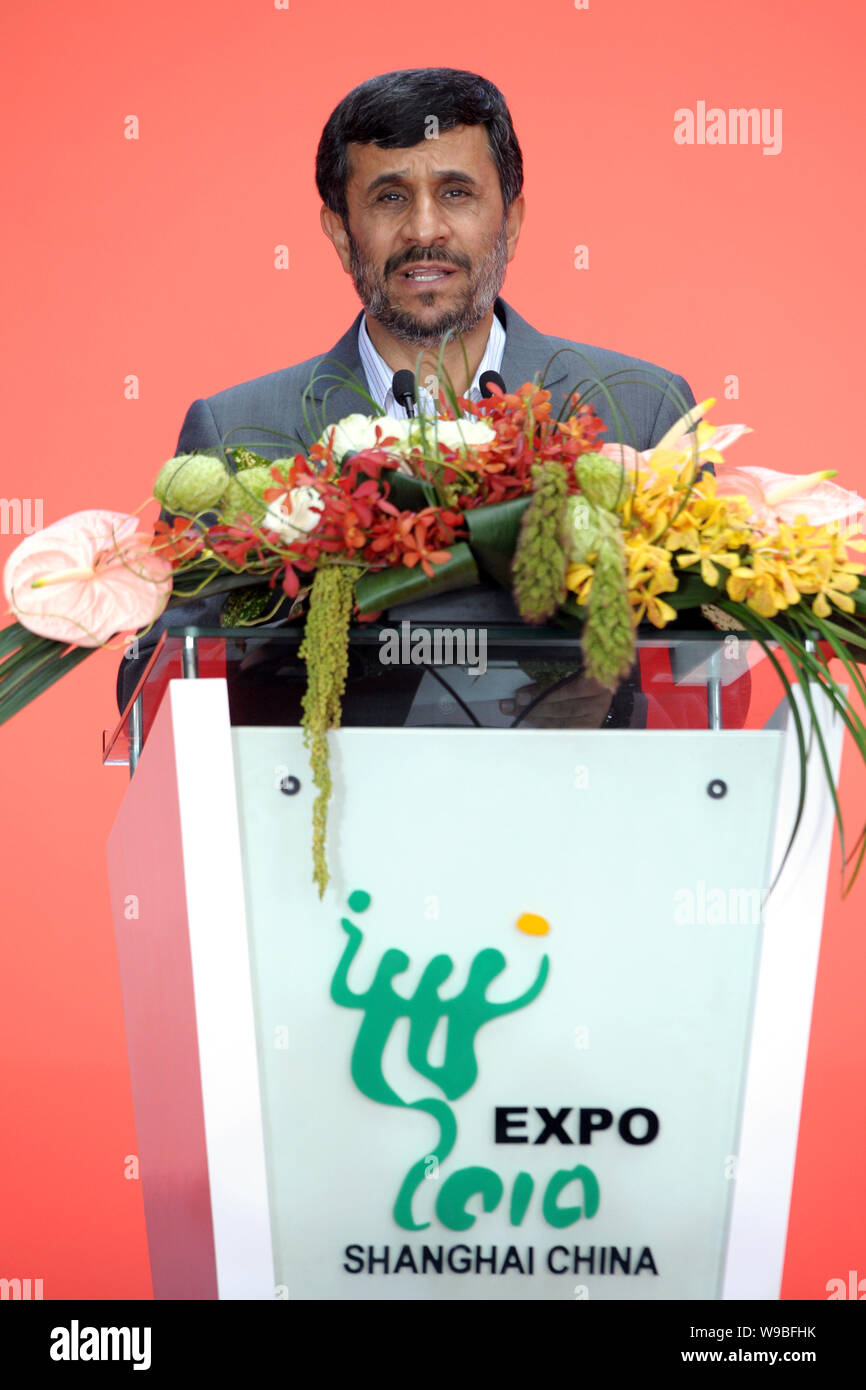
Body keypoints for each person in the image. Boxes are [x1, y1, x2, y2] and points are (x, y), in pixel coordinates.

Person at [117, 68, 697, 727]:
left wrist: (616, 704)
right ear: (341, 234)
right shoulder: (240, 432)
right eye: (391, 198)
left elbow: (713, 680)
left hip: (586, 805)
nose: (426, 229)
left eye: (456, 192)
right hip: (326, 815)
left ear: (510, 221)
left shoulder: (644, 411)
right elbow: (151, 685)